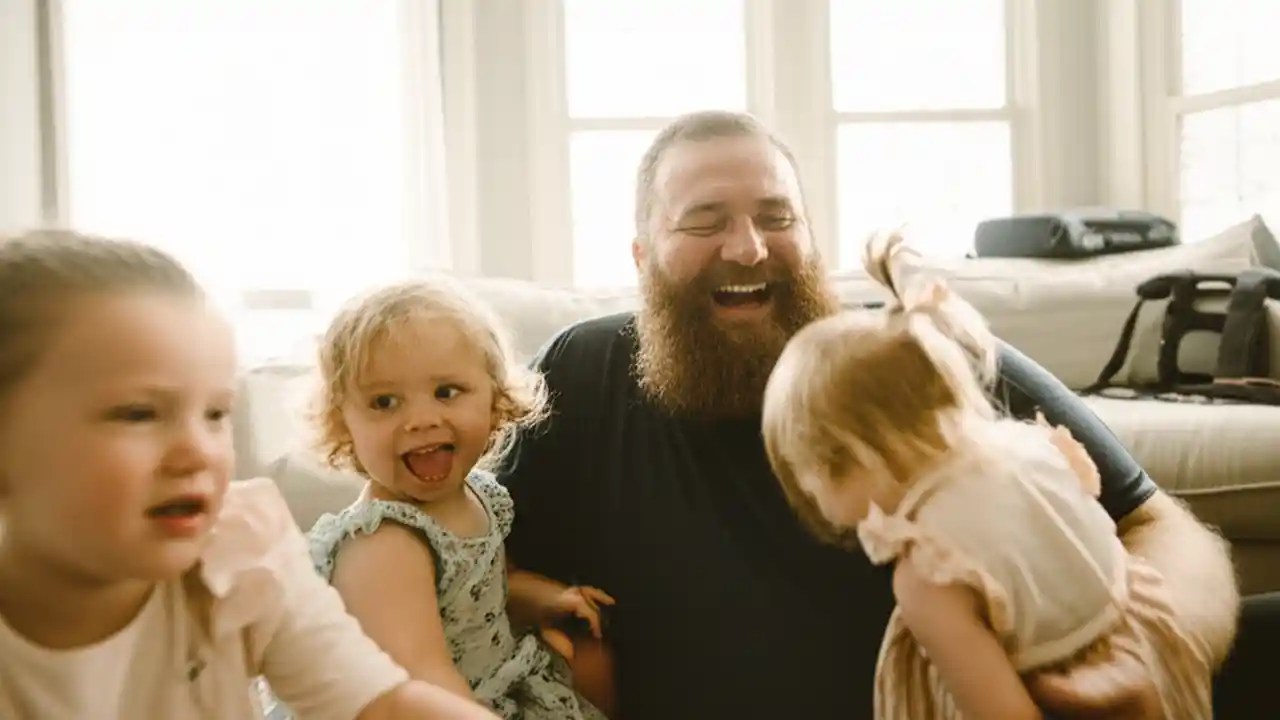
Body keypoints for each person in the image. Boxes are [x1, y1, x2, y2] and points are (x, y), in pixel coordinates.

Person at [495, 110, 1264, 719]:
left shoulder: (908, 358)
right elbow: (467, 562)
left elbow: (1162, 527)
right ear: (640, 256)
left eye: (777, 216)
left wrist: (1146, 646)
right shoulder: (581, 376)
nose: (751, 247)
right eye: (704, 221)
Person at [0, 231, 497, 720]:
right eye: (137, 414)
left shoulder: (244, 553)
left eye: (215, 414)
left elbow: (383, 705)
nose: (196, 451)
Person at [760, 232, 1211, 718]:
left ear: (853, 456)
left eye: (806, 474)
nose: (806, 493)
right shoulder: (1030, 449)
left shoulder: (929, 573)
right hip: (1147, 648)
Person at [303, 279, 612, 719]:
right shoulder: (384, 543)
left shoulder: (480, 496)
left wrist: (546, 598)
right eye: (385, 401)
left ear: (494, 401)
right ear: (342, 424)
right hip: (428, 706)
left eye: (447, 392)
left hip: (491, 682)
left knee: (592, 658)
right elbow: (418, 679)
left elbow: (493, 584)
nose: (422, 419)